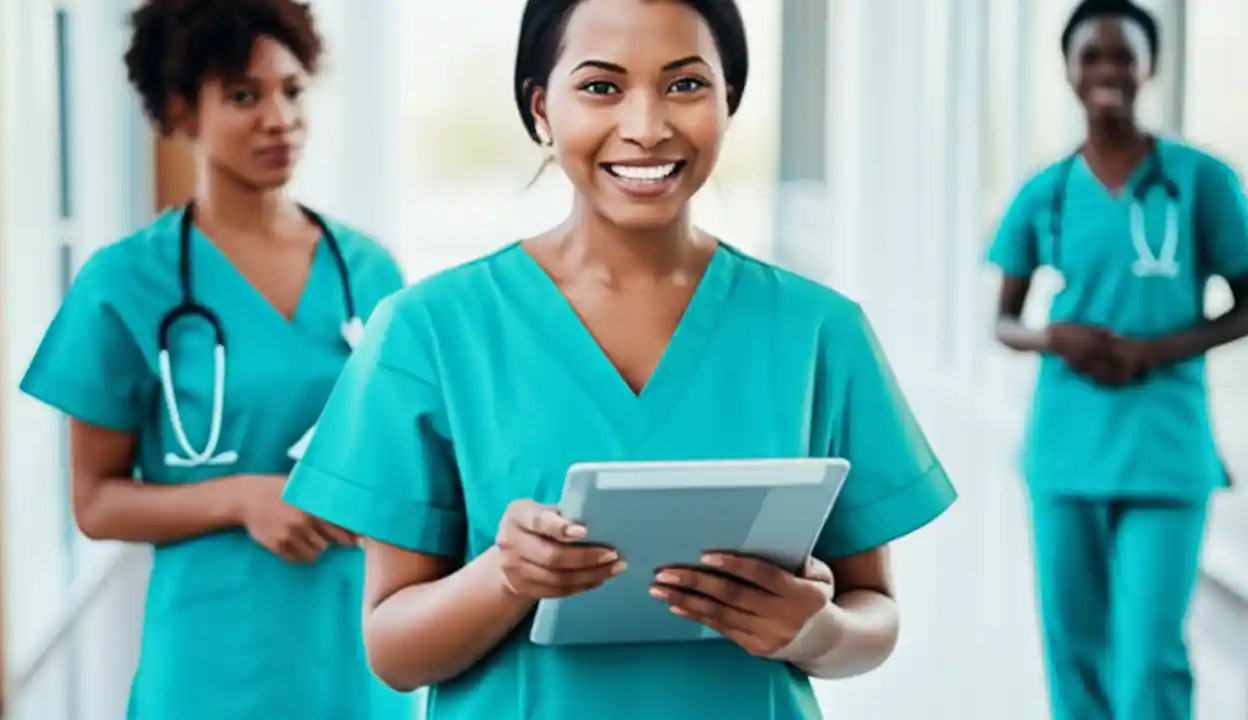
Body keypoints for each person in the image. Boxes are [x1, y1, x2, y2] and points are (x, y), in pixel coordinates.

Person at [283, 1, 956, 718]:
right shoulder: (430, 331)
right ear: (541, 109)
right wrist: (507, 577)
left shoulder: (821, 332)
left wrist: (815, 631)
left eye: (686, 85)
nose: (646, 127)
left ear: (729, 99)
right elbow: (393, 651)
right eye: (602, 87)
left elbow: (873, 613)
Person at [19, 1, 421, 718]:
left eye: (292, 90)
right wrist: (240, 497)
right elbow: (96, 502)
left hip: (357, 648)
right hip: (211, 653)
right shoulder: (126, 284)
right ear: (181, 109)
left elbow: (407, 460)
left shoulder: (369, 270)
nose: (279, 117)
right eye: (244, 94)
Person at [986, 2, 1248, 718]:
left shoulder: (1203, 183)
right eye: (1091, 58)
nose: (1107, 72)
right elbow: (1004, 322)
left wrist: (1158, 349)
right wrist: (1054, 337)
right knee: (1075, 654)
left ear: (1149, 67)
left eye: (1123, 57)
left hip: (1165, 450)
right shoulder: (1045, 194)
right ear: (1068, 70)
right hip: (1066, 451)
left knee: (1150, 659)